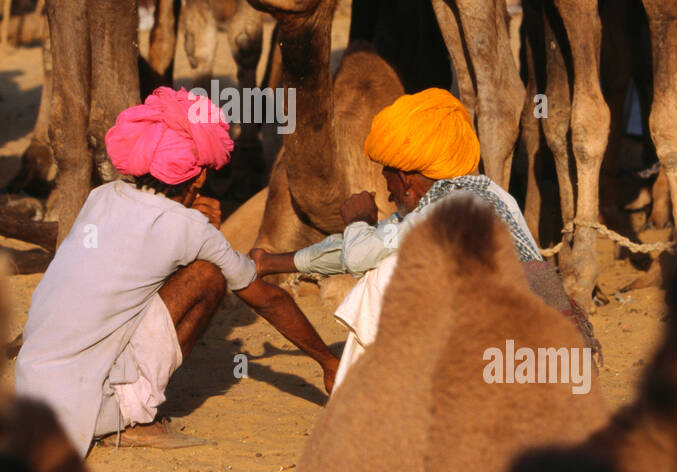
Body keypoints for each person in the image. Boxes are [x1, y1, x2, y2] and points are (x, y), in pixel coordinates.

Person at [15, 87, 339, 455]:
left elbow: (141, 251)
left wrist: (190, 219)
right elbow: (268, 301)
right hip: (84, 409)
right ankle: (135, 415)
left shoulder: (101, 197)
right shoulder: (189, 229)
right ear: (198, 178)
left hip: (30, 387)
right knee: (209, 275)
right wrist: (328, 361)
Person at [250, 88, 597, 390]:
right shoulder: (489, 194)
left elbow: (359, 258)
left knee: (385, 277)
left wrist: (357, 221)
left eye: (388, 180)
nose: (388, 194)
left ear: (404, 178)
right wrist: (272, 262)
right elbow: (359, 247)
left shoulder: (445, 210)